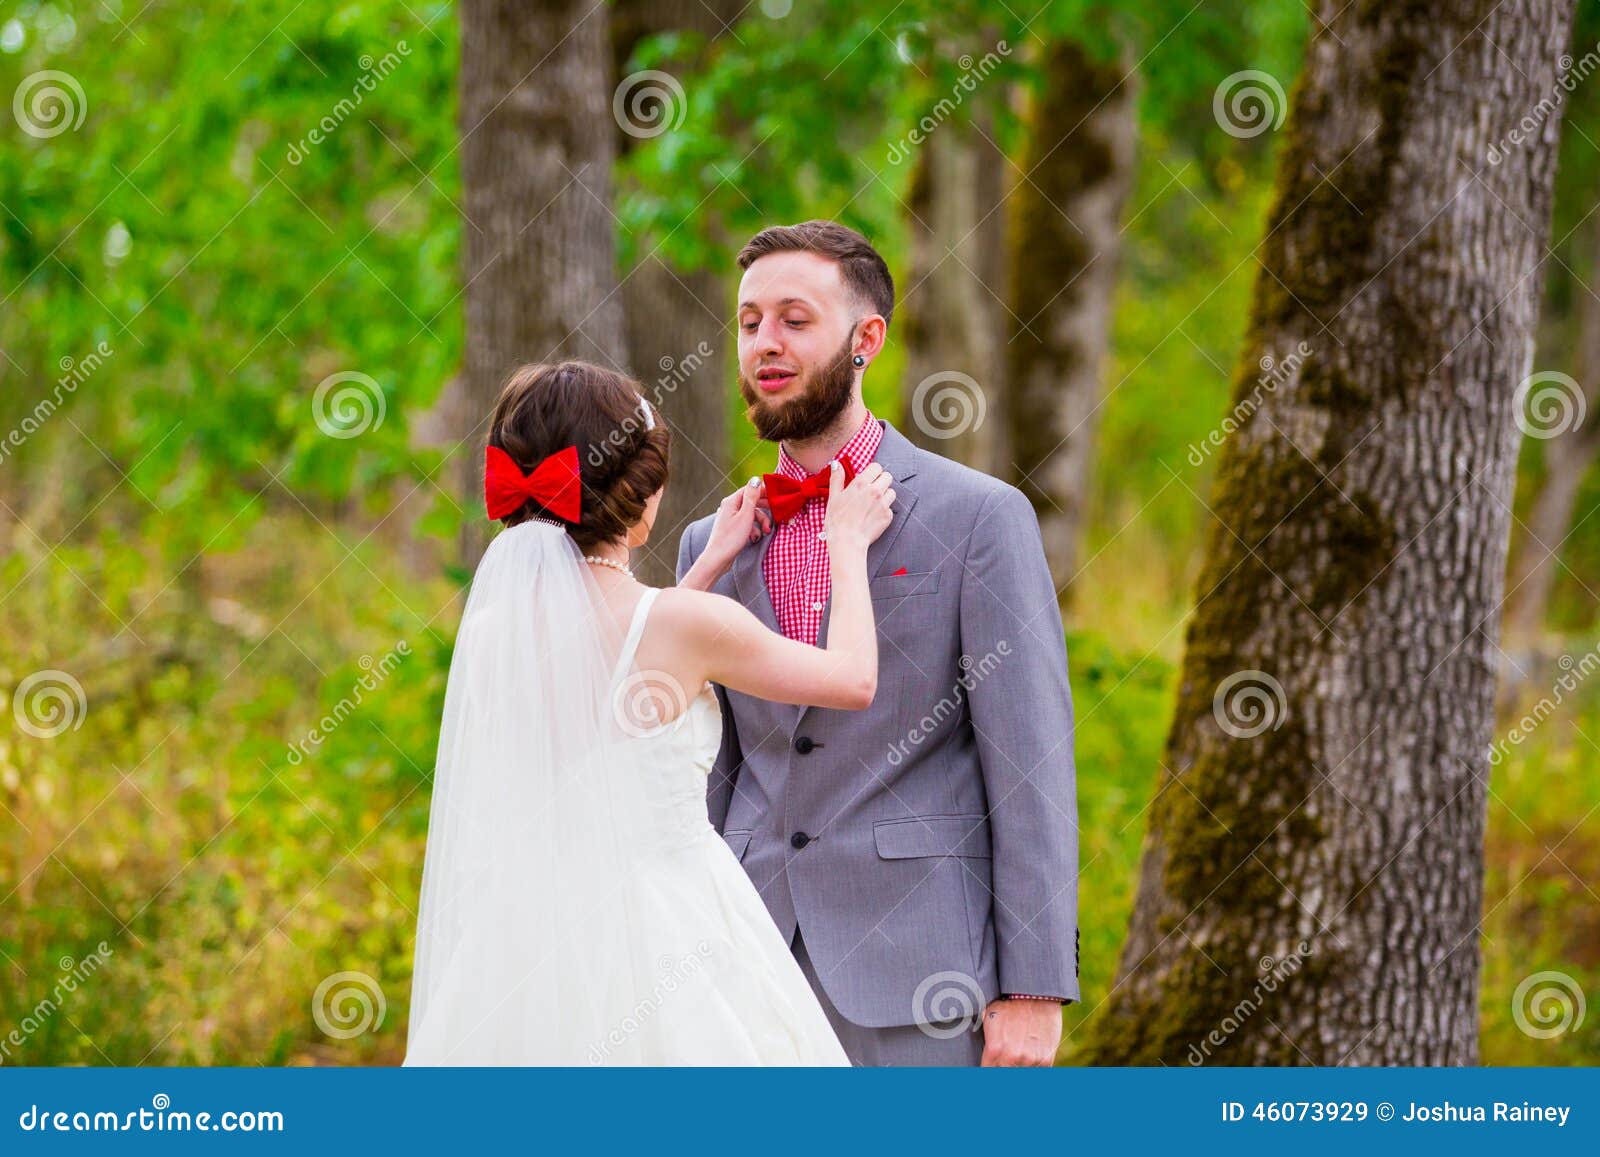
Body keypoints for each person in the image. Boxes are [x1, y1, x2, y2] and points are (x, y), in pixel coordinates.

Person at [405, 359, 893, 1065]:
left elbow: (606, 680)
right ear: (646, 491)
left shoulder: (492, 630)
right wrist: (846, 545)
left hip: (528, 941)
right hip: (673, 924)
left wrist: (706, 567)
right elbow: (851, 678)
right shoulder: (688, 625)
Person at [677, 220, 1080, 1066]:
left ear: (866, 339)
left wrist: (1036, 986)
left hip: (921, 971)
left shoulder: (978, 517)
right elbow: (713, 768)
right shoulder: (709, 542)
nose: (764, 343)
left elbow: (1031, 761)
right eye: (749, 323)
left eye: (795, 320)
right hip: (746, 959)